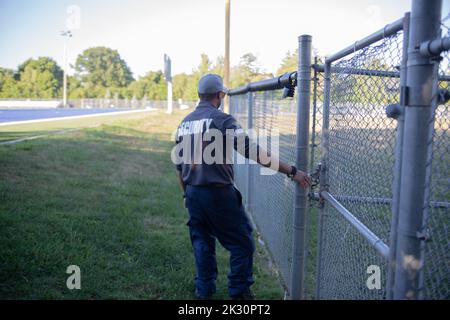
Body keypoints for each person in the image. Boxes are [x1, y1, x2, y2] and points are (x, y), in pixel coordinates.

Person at [173, 74, 311, 300]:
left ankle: (204, 291)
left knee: (202, 241)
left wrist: (185, 195)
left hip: (193, 192)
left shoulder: (184, 123)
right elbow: (254, 152)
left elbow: (179, 167)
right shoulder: (223, 120)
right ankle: (239, 295)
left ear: (199, 95)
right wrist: (292, 171)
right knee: (242, 243)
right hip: (218, 194)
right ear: (219, 95)